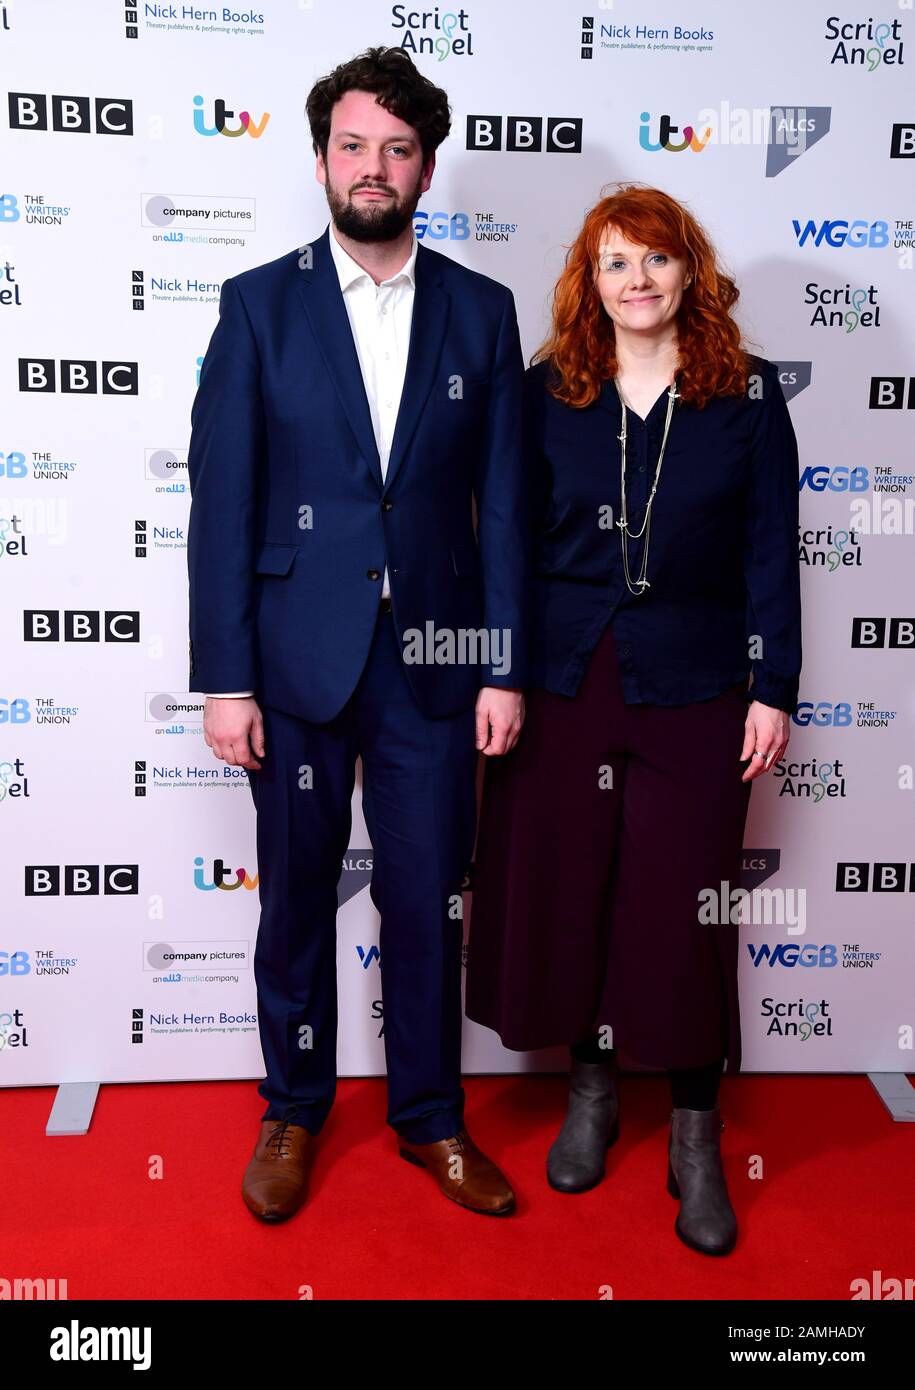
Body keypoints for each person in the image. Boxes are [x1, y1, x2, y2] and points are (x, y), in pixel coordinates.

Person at [186, 46, 529, 1222]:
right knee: (294, 898)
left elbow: (508, 510)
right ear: (322, 156)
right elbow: (222, 507)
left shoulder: (483, 313)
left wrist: (504, 662)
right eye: (352, 145)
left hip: (434, 663)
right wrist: (226, 681)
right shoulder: (257, 304)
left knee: (431, 893)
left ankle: (430, 1120)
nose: (372, 168)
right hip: (293, 661)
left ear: (425, 166)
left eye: (396, 148)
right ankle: (293, 1109)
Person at [465, 183, 802, 1256]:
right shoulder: (543, 392)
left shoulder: (746, 396)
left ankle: (695, 1133)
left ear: (688, 271)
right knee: (575, 892)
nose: (639, 280)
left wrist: (774, 684)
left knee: (685, 909)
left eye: (656, 260)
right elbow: (506, 549)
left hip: (700, 686)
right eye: (617, 262)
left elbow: (770, 555)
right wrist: (504, 671)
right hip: (566, 682)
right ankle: (593, 1094)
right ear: (590, 281)